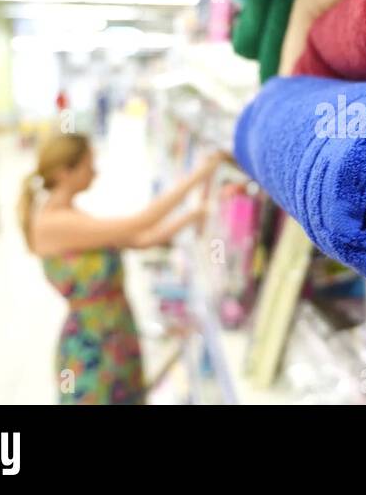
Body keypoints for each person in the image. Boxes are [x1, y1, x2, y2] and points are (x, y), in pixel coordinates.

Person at [17, 133, 230, 404]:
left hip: (117, 336)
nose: (95, 172)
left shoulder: (72, 216)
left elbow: (140, 239)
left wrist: (192, 216)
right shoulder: (52, 224)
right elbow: (140, 223)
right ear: (64, 173)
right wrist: (203, 172)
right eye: (88, 165)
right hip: (90, 347)